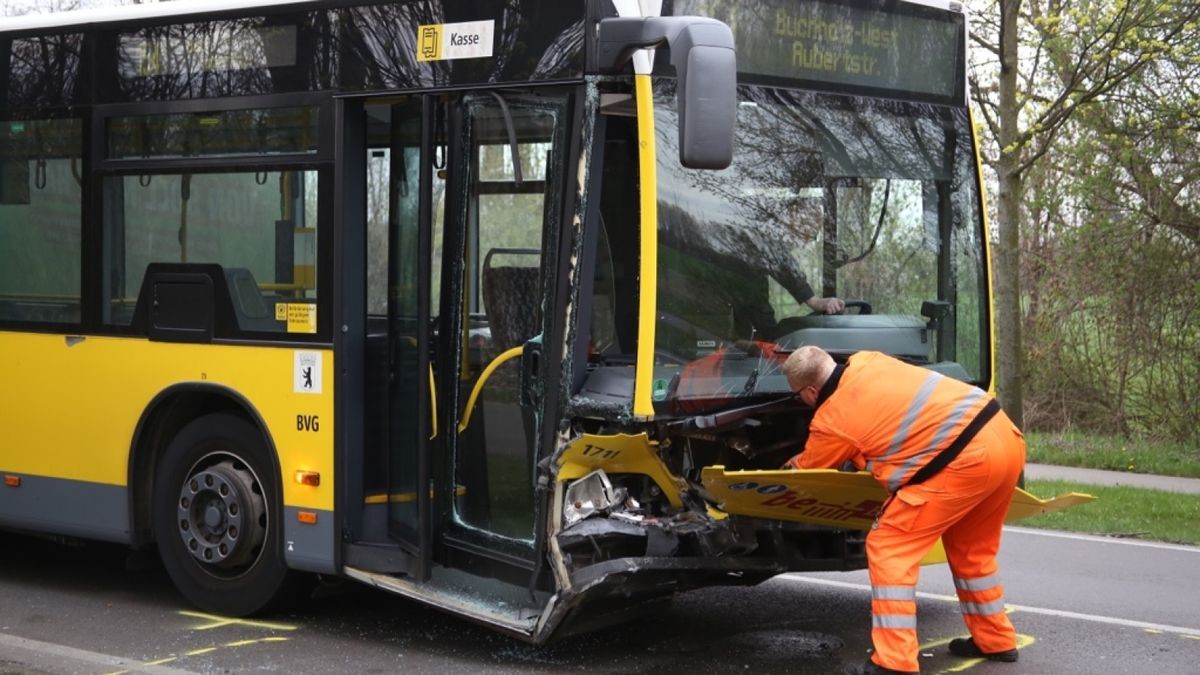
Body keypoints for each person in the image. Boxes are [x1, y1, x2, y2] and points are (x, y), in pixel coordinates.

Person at [780, 346, 1025, 675]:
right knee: (972, 550)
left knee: (888, 547)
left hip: (964, 462)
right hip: (1003, 436)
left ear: (810, 391)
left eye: (799, 396)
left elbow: (806, 470)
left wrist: (778, 469)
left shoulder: (832, 420)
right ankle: (996, 639)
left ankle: (894, 662)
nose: (801, 402)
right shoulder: (869, 359)